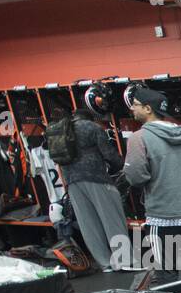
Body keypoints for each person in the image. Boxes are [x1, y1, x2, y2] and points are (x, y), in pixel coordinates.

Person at [123, 87, 181, 275]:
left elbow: (136, 177)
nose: (132, 109)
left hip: (163, 217)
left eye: (135, 105)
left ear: (148, 109)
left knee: (168, 275)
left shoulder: (138, 138)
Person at [54, 106, 131, 272]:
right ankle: (123, 261)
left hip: (72, 182)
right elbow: (108, 154)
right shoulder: (92, 127)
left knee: (88, 223)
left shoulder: (63, 128)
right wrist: (122, 166)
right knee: (112, 218)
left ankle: (104, 263)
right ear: (91, 118)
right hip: (96, 178)